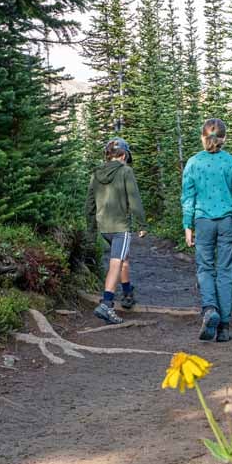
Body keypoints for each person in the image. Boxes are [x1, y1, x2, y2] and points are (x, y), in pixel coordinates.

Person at [181, 118, 232, 342]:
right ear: (224, 138)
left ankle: (210, 308)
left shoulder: (193, 163)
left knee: (205, 267)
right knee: (226, 271)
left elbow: (188, 196)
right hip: (227, 222)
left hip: (203, 222)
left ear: (203, 137)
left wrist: (187, 225)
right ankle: (224, 327)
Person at [85, 137, 147, 325]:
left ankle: (127, 293)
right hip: (120, 227)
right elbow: (134, 199)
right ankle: (106, 304)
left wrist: (91, 229)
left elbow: (89, 203)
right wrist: (142, 224)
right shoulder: (126, 172)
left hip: (104, 227)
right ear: (123, 155)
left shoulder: (96, 173)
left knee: (123, 258)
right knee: (116, 264)